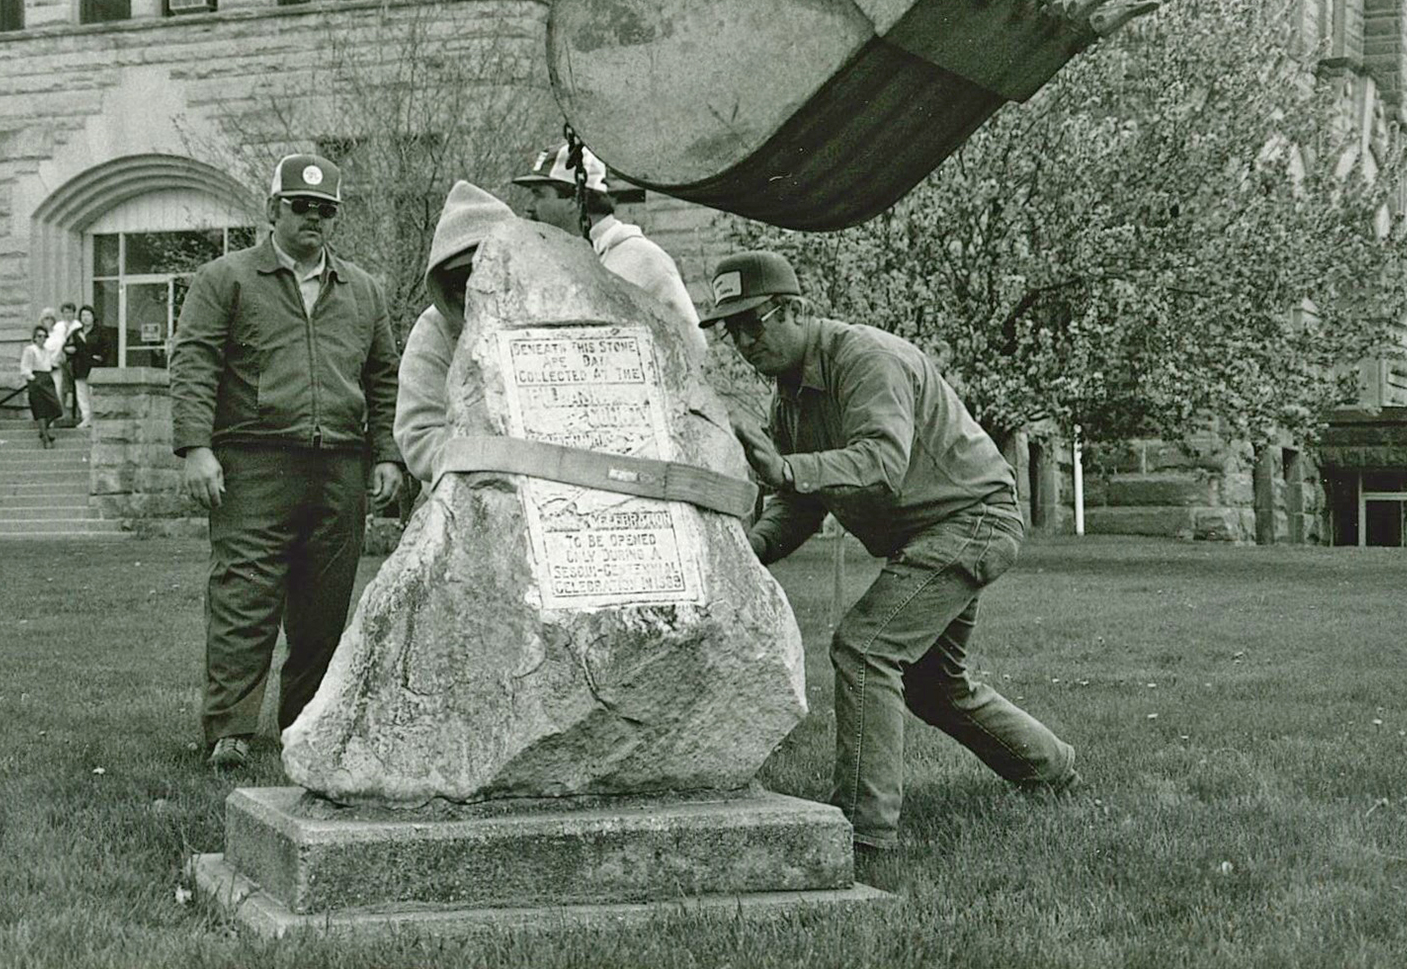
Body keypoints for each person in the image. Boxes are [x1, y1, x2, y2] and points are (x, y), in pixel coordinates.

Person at [700, 250, 1078, 859]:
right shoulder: (791, 398)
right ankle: (1053, 770)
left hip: (970, 521)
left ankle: (864, 835)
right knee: (934, 685)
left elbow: (881, 463)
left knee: (865, 648)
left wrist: (785, 466)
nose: (743, 341)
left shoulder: (865, 360)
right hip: (932, 534)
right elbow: (801, 504)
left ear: (795, 309)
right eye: (730, 330)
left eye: (754, 322)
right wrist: (748, 551)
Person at [170, 153, 403, 770]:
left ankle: (305, 724)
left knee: (324, 609)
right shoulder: (226, 279)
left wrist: (386, 455)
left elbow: (383, 379)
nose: (313, 221)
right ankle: (230, 731)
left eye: (325, 211)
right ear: (273, 210)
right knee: (244, 598)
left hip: (338, 469)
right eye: (301, 208)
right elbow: (193, 363)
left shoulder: (364, 291)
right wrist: (197, 448)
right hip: (253, 465)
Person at [513, 140, 706, 353]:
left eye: (539, 194)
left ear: (574, 199)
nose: (529, 207)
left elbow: (695, 349)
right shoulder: (555, 264)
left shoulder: (643, 260)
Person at [395, 180, 516, 486]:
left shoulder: (544, 321)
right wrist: (495, 462)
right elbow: (418, 437)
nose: (476, 289)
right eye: (461, 280)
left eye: (487, 271)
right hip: (463, 494)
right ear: (445, 286)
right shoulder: (433, 330)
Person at [61, 305, 110, 428]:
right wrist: (69, 350)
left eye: (88, 315)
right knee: (82, 394)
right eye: (83, 315)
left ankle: (97, 417)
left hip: (95, 366)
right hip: (80, 366)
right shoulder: (76, 332)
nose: (86, 318)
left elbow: (107, 347)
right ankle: (86, 417)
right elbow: (67, 346)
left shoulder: (100, 331)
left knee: (94, 393)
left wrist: (101, 357)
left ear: (93, 316)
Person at [20, 325, 63, 448]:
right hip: (36, 380)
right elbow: (24, 368)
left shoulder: (47, 351)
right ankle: (45, 438)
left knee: (56, 409)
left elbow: (48, 365)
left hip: (47, 380)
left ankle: (43, 430)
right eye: (39, 336)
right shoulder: (30, 350)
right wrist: (33, 379)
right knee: (40, 410)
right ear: (34, 337)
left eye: (44, 336)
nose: (42, 339)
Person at [47, 302, 82, 420]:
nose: (68, 315)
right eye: (66, 312)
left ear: (74, 313)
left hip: (74, 360)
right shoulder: (58, 326)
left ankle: (77, 413)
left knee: (75, 388)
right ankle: (60, 413)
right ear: (62, 314)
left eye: (71, 312)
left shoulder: (78, 326)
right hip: (60, 361)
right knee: (61, 388)